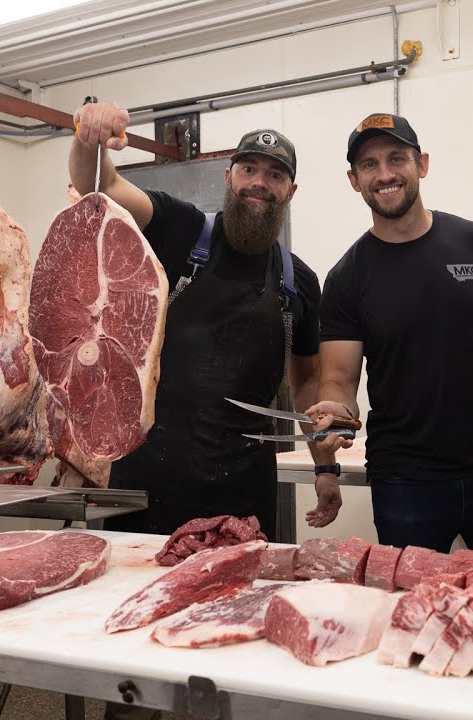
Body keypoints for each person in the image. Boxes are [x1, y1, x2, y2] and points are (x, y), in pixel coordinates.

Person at [70, 101, 341, 538]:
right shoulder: (182, 230)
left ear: (291, 191)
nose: (260, 182)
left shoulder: (299, 281)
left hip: (246, 489)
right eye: (249, 169)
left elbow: (307, 383)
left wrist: (325, 468)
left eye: (275, 175)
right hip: (150, 481)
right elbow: (99, 186)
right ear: (228, 177)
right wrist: (89, 137)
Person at [308, 113, 473, 557]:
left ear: (422, 164)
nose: (385, 174)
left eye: (397, 158)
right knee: (410, 598)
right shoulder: (346, 277)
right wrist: (336, 413)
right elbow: (338, 378)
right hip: (405, 483)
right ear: (354, 180)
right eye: (369, 164)